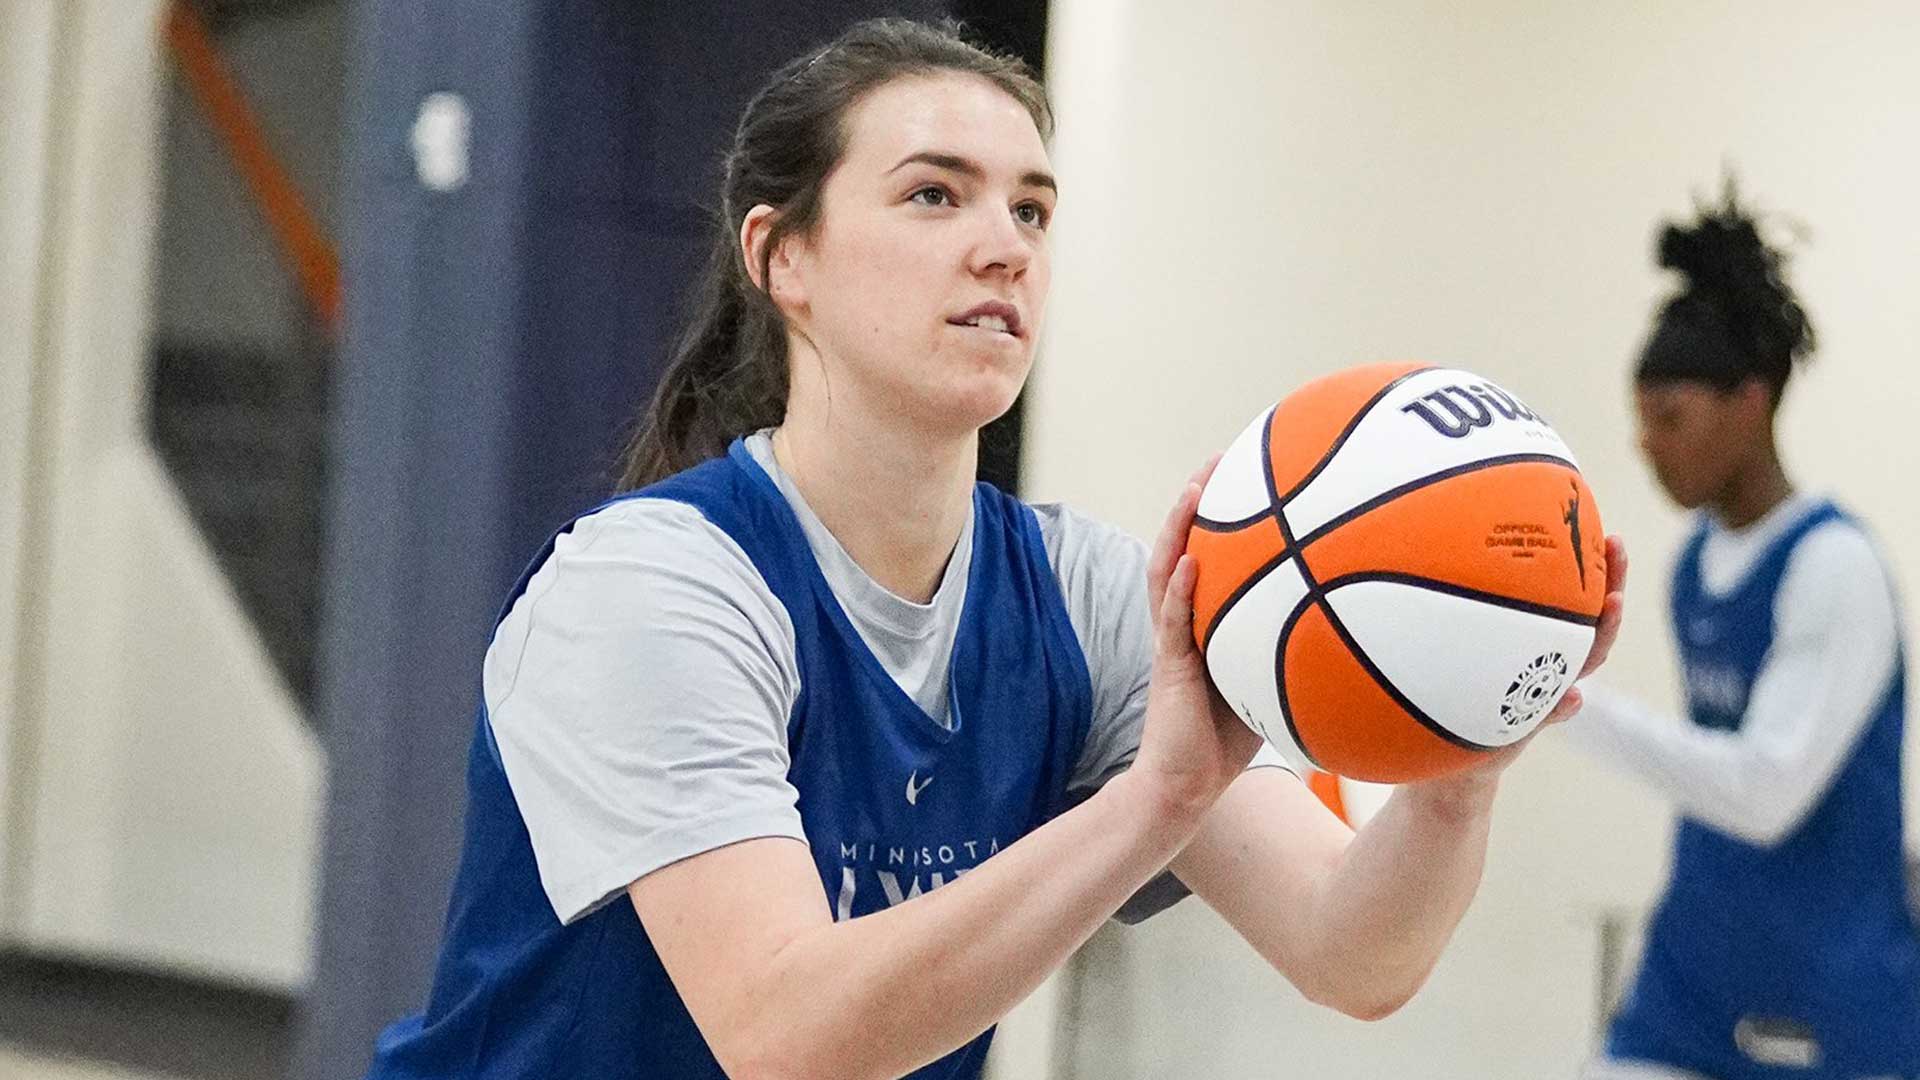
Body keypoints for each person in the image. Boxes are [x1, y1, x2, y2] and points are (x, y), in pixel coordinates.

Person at [365, 18, 1625, 1079]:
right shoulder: (653, 589)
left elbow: (1352, 954)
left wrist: (1458, 765)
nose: (1005, 245)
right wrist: (1159, 798)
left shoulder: (1089, 594)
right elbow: (785, 1035)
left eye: (1032, 208)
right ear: (782, 256)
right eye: (934, 194)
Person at [1573, 186, 1920, 1080]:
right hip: (1691, 978)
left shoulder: (1834, 566)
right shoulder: (1695, 559)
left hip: (1828, 1003)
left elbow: (1766, 794)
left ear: (1750, 403)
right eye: (1640, 420)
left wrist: (1564, 701)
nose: (1647, 445)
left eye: (1670, 418)